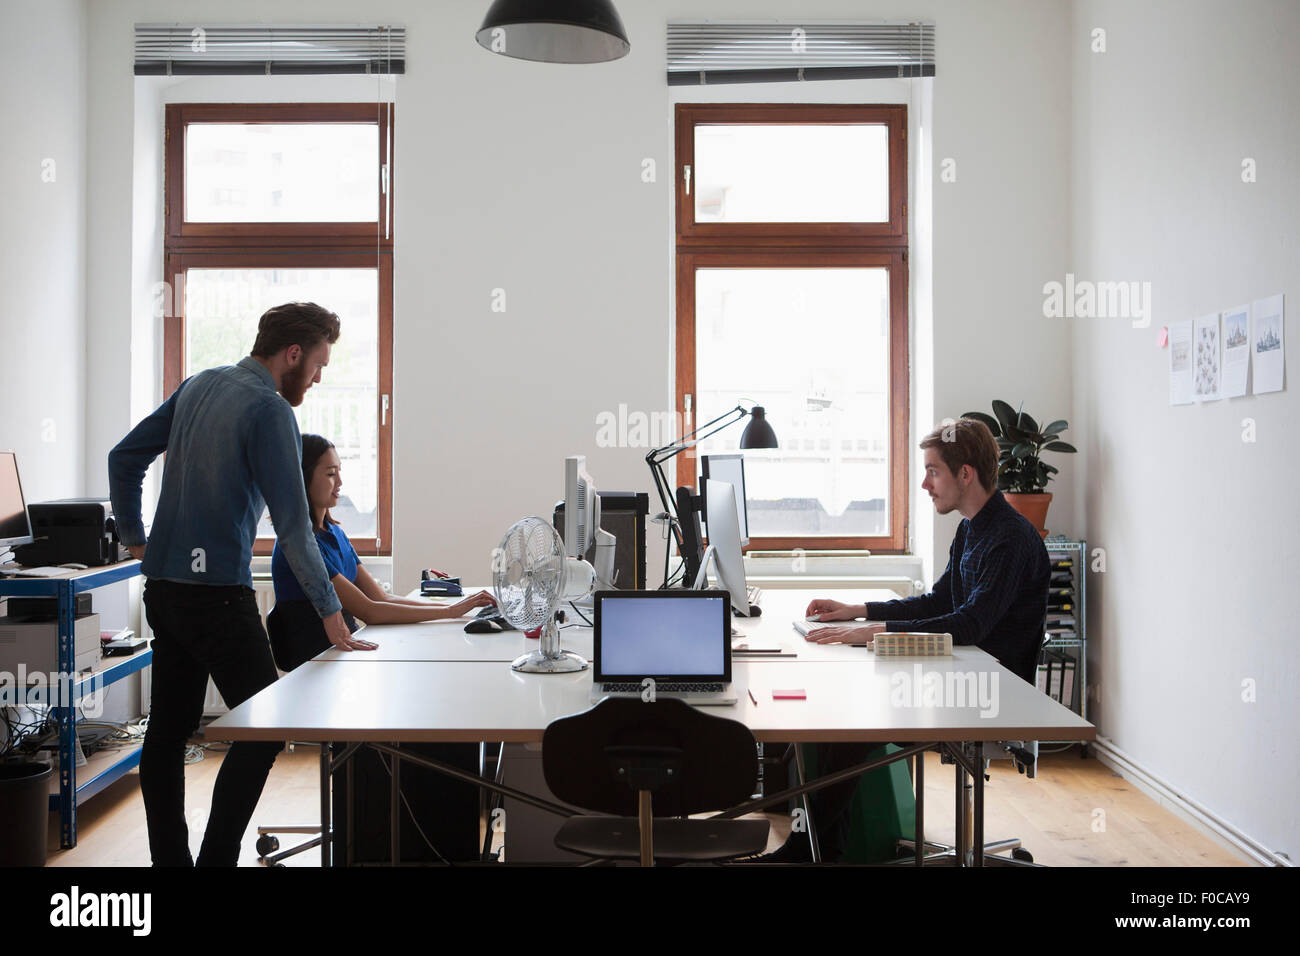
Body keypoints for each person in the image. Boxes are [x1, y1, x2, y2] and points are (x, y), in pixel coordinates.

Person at [108, 302, 375, 867]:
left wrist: (137, 540)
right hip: (218, 599)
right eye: (319, 365)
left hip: (164, 589)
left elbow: (124, 457)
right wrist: (333, 616)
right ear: (293, 354)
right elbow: (294, 525)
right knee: (263, 728)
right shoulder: (270, 409)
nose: (319, 378)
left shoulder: (199, 385)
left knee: (167, 732)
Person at [766, 418, 1050, 863]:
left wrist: (875, 632)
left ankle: (813, 851)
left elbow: (970, 624)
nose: (924, 483)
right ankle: (816, 848)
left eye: (933, 471)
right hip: (956, 672)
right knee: (839, 713)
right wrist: (859, 610)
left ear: (966, 474)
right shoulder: (972, 527)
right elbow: (939, 600)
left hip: (988, 695)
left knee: (850, 723)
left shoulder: (1011, 538)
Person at [266, 434, 496, 672]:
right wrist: (449, 612)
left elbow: (381, 598)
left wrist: (454, 609)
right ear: (303, 478)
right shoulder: (301, 546)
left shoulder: (335, 533)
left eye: (340, 471)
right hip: (318, 662)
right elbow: (369, 611)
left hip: (342, 652)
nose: (341, 482)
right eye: (331, 474)